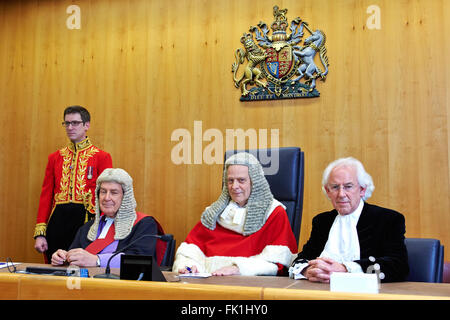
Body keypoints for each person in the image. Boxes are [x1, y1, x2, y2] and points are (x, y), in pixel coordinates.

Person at [173, 152, 298, 276]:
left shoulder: (274, 212)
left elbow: (278, 261)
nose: (234, 186)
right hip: (208, 284)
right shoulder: (213, 213)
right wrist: (188, 266)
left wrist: (238, 268)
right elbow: (191, 250)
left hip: (249, 287)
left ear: (254, 182)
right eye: (230, 181)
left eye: (241, 180)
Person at [289, 157, 409, 283]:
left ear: (362, 189)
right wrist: (307, 270)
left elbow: (399, 266)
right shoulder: (322, 221)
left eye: (348, 186)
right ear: (328, 191)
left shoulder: (388, 219)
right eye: (335, 187)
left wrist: (345, 269)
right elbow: (299, 260)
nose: (341, 194)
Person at [34, 106, 113, 262]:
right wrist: (40, 233)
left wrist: (102, 231)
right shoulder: (55, 158)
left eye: (75, 123)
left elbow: (107, 195)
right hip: (58, 221)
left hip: (86, 221)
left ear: (86, 125)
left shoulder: (102, 157)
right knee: (55, 268)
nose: (70, 127)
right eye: (67, 123)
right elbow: (46, 196)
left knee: (81, 269)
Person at [51, 168, 160, 268]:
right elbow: (74, 256)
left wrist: (97, 260)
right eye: (103, 192)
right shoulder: (88, 227)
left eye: (114, 192)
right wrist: (63, 257)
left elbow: (140, 261)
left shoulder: (144, 224)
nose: (106, 198)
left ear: (125, 196)